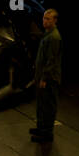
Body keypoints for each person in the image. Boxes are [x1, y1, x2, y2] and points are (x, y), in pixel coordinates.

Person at [32, 8, 62, 143]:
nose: (44, 21)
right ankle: (41, 127)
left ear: (55, 21)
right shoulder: (47, 34)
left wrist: (44, 78)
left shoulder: (54, 37)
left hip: (49, 78)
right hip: (42, 75)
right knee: (41, 104)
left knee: (48, 105)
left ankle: (46, 133)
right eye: (44, 18)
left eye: (48, 19)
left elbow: (51, 60)